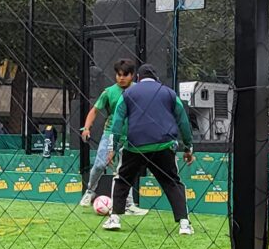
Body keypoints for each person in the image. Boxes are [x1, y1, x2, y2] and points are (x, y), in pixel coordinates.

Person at [103, 64, 194, 235]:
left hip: (136, 147)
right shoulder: (169, 93)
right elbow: (183, 121)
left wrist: (112, 148)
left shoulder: (128, 93)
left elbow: (117, 121)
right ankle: (184, 224)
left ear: (137, 78)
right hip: (163, 145)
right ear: (156, 78)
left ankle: (114, 218)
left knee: (122, 180)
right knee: (172, 183)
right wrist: (188, 147)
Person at [79, 59, 145, 215]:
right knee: (100, 164)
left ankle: (129, 205)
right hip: (110, 134)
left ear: (132, 75)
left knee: (124, 170)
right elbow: (94, 110)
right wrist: (86, 128)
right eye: (118, 75)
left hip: (130, 137)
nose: (121, 78)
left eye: (125, 75)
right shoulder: (108, 92)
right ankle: (90, 191)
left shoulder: (139, 91)